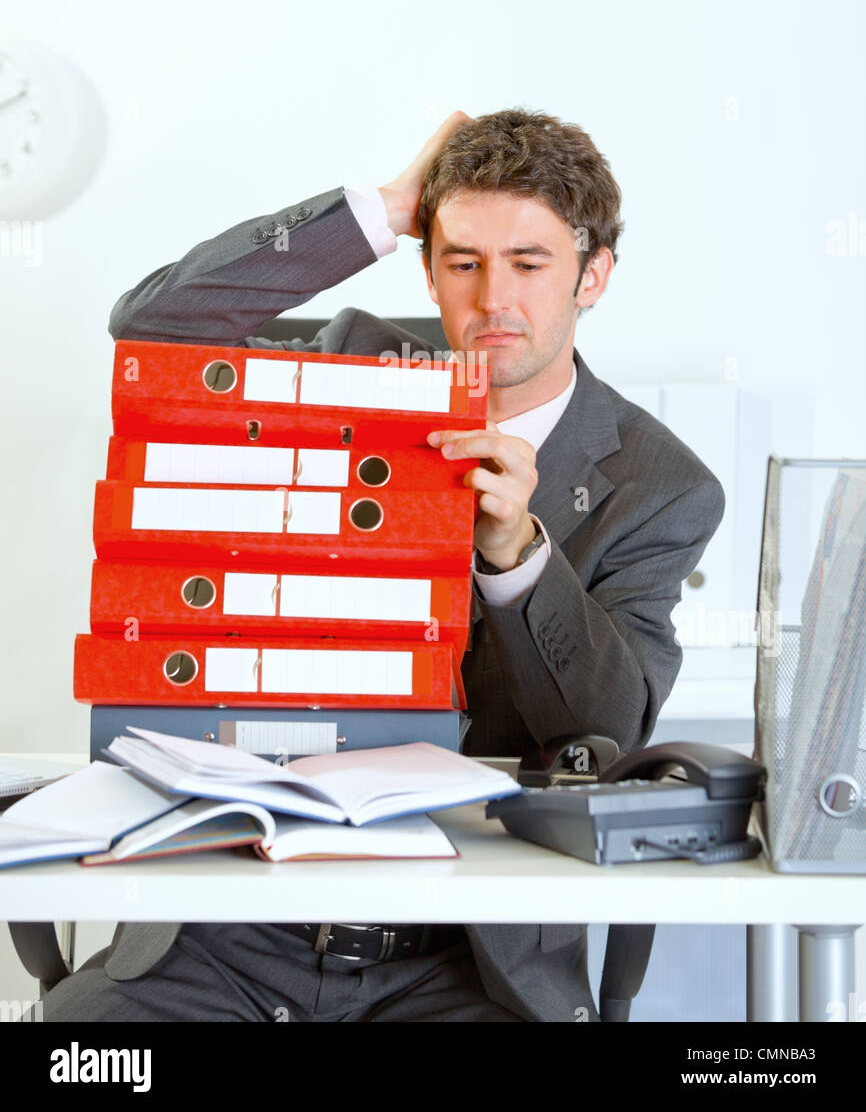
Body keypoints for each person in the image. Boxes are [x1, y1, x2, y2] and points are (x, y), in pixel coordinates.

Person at [41, 107, 725, 1022]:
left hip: (461, 954)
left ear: (592, 276)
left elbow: (606, 732)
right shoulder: (352, 361)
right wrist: (383, 208)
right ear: (428, 266)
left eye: (529, 264)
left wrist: (515, 553)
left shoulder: (660, 485)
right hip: (232, 927)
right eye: (462, 261)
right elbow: (154, 327)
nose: (493, 301)